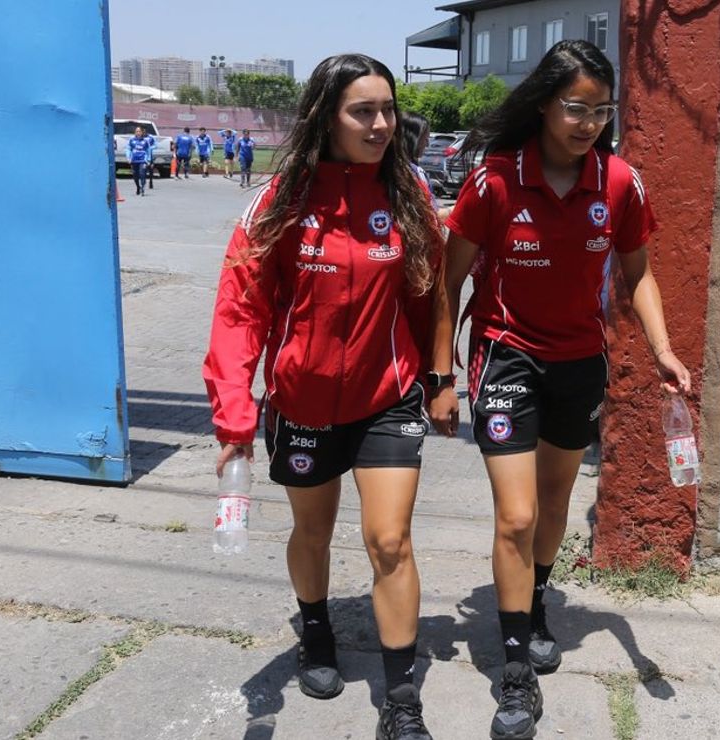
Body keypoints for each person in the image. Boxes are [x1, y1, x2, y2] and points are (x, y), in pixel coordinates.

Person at [426, 40, 692, 740]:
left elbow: (638, 276)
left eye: (601, 112)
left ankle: (537, 599)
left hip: (580, 365)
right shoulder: (495, 182)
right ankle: (515, 675)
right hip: (506, 358)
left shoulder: (619, 184)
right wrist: (441, 375)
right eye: (576, 108)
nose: (588, 123)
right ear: (545, 104)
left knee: (552, 504)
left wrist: (662, 348)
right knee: (515, 517)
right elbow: (448, 282)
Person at [203, 53, 443, 740]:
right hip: (302, 401)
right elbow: (239, 311)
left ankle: (402, 703)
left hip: (387, 396)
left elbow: (427, 291)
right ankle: (315, 630)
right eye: (362, 111)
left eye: (388, 110)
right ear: (326, 117)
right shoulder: (278, 201)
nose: (379, 124)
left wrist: (437, 378)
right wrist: (235, 414)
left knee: (390, 539)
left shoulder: (407, 195)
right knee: (312, 530)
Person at [399, 111, 450, 222]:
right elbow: (431, 216)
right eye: (425, 139)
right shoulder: (413, 173)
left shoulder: (390, 168)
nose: (427, 144)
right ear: (413, 139)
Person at [125, 126, 151, 196]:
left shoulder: (146, 141)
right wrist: (128, 158)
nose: (138, 133)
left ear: (142, 132)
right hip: (134, 160)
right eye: (137, 131)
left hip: (142, 160)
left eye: (139, 131)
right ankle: (138, 187)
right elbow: (128, 149)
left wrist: (148, 160)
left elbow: (148, 150)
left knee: (142, 174)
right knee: (135, 175)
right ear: (135, 132)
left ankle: (143, 188)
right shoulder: (131, 140)